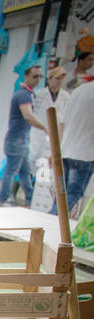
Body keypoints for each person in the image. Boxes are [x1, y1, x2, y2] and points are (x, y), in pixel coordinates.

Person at [0, 65, 48, 206]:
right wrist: (45, 128)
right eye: (34, 76)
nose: (38, 79)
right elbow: (28, 116)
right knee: (11, 171)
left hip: (22, 140)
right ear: (26, 77)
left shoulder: (30, 94)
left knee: (25, 171)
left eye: (40, 76)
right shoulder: (23, 95)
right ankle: (2, 200)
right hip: (16, 140)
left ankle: (30, 198)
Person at [55, 77, 94, 215]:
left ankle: (50, 221)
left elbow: (62, 122)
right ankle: (51, 220)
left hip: (65, 151)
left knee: (61, 195)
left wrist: (56, 149)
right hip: (85, 154)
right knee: (73, 193)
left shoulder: (79, 90)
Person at [32, 66, 70, 167]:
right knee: (32, 164)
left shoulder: (66, 97)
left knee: (47, 170)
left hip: (55, 134)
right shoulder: (38, 94)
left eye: (62, 79)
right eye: (57, 78)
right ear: (49, 79)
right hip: (38, 135)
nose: (59, 81)